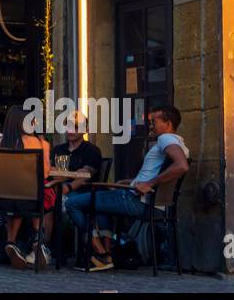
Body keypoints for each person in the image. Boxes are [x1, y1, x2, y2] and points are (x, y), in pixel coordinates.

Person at [64, 105, 189, 272]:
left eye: (154, 121)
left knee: (72, 202)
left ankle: (100, 253)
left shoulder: (165, 139)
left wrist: (149, 184)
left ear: (168, 123)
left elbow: (182, 166)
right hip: (153, 205)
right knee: (101, 205)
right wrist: (131, 181)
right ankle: (107, 252)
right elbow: (160, 171)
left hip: (135, 201)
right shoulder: (180, 143)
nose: (150, 125)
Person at [0, 104, 54, 269]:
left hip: (1, 200)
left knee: (17, 198)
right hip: (30, 200)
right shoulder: (37, 143)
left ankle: (11, 242)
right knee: (41, 192)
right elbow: (43, 174)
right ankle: (38, 239)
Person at [50, 111, 103, 193]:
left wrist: (62, 175)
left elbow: (85, 175)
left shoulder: (92, 150)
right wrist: (74, 174)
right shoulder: (57, 149)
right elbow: (50, 171)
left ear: (85, 130)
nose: (71, 130)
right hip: (56, 191)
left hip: (83, 192)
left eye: (76, 127)